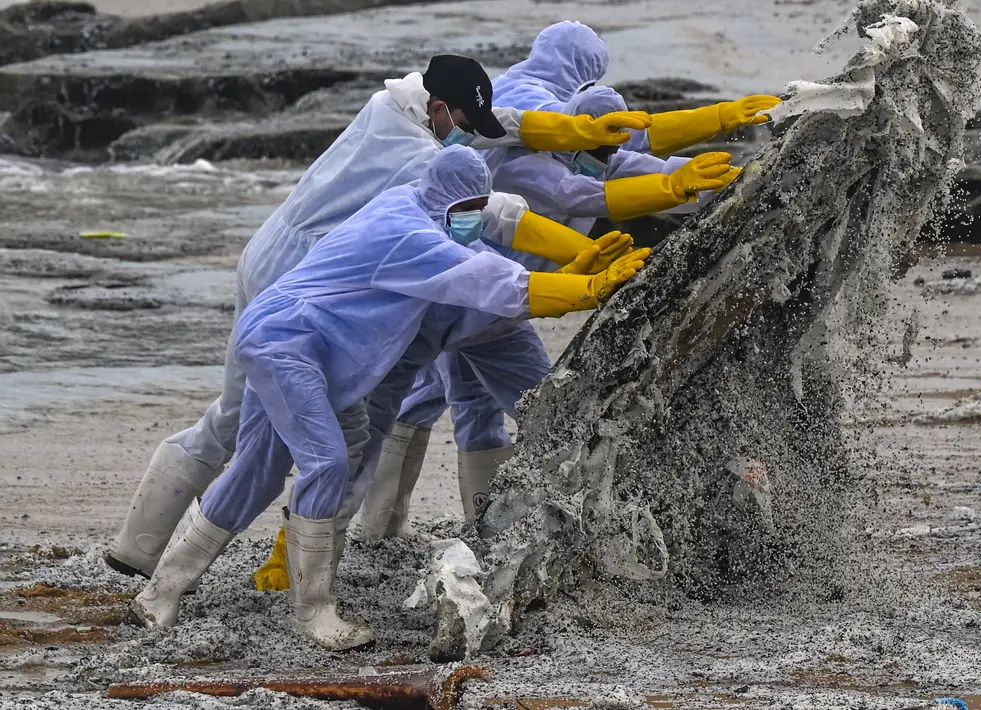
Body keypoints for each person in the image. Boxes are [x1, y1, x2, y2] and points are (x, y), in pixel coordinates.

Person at [105, 53, 653, 583]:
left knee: (237, 417)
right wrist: (580, 271)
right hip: (302, 283)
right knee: (308, 434)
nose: (470, 133)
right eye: (463, 119)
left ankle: (139, 549)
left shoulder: (388, 108)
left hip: (271, 255)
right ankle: (286, 564)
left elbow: (503, 127)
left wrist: (581, 134)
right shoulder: (414, 162)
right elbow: (498, 219)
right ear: (437, 107)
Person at [348, 85, 746, 540]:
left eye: (608, 147)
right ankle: (378, 532)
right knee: (546, 412)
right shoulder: (529, 164)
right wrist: (591, 274)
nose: (602, 156)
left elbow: (655, 167)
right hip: (471, 305)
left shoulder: (604, 157)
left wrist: (733, 169)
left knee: (476, 409)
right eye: (595, 143)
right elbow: (578, 196)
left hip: (493, 318)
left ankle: (476, 533)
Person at [490, 21, 781, 159]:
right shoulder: (530, 99)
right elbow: (585, 131)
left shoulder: (504, 85)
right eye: (591, 82)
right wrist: (717, 117)